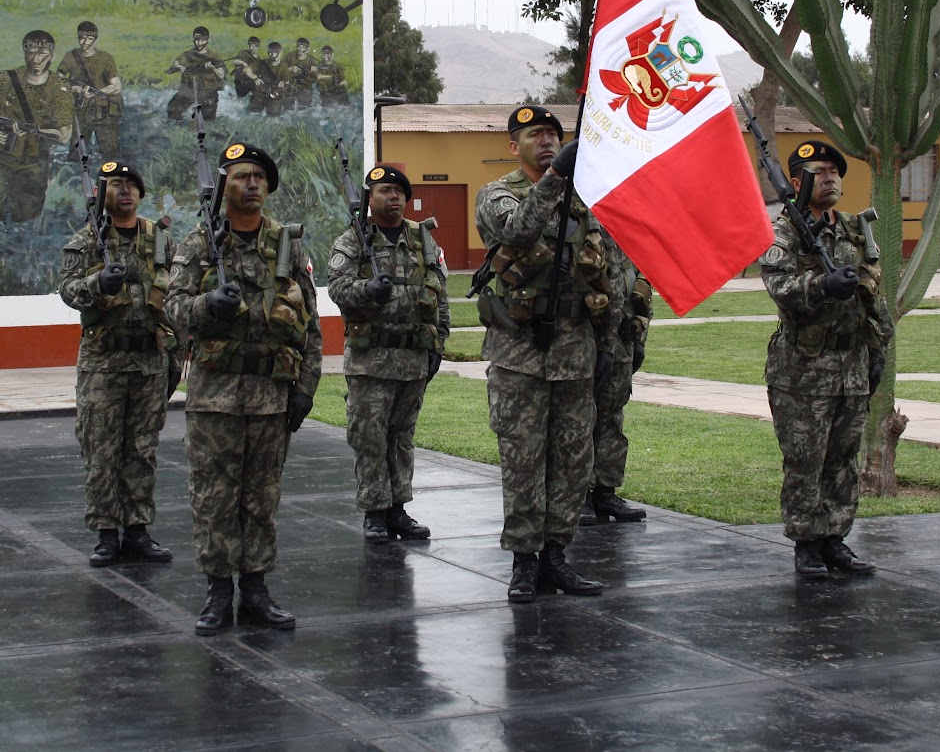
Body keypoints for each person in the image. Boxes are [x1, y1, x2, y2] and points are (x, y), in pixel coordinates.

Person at [167, 143, 322, 635]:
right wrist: (205, 305)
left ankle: (256, 589)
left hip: (272, 396)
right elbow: (172, 308)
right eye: (240, 176)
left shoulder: (287, 244)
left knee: (262, 498)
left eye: (258, 176)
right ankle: (218, 591)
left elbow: (310, 322)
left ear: (268, 186)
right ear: (223, 186)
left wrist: (306, 387)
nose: (251, 183)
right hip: (215, 397)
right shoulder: (201, 242)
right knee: (214, 497)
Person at [474, 104, 621, 604]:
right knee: (523, 461)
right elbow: (516, 231)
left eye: (554, 135)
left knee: (573, 461)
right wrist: (557, 176)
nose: (547, 141)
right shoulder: (497, 194)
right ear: (513, 146)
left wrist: (607, 343)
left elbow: (606, 273)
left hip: (576, 352)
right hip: (520, 353)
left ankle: (557, 555)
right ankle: (524, 561)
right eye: (535, 134)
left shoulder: (585, 202)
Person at [760, 139, 895, 579]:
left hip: (852, 364)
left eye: (835, 171)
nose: (831, 178)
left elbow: (875, 294)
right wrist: (821, 287)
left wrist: (878, 350)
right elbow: (779, 286)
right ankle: (807, 543)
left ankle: (835, 538)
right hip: (803, 368)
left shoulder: (855, 229)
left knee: (843, 459)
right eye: (820, 172)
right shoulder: (784, 232)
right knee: (806, 459)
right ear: (797, 182)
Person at [59, 161, 180, 568]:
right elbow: (67, 290)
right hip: (103, 363)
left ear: (141, 194)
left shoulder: (161, 240)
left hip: (149, 361)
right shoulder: (87, 240)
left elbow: (178, 296)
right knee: (101, 448)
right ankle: (107, 533)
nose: (124, 191)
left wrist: (176, 357)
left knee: (142, 449)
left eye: (131, 185)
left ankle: (138, 529)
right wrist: (97, 284)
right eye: (115, 185)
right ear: (101, 194)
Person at [326, 164, 450, 542]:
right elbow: (337, 287)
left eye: (398, 191)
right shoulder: (353, 240)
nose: (393, 196)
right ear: (370, 198)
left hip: (413, 358)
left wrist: (438, 345)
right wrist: (366, 290)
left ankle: (398, 509)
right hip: (371, 359)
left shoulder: (423, 239)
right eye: (384, 191)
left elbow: (439, 293)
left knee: (402, 438)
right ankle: (374, 511)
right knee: (370, 437)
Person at [579, 233, 651, 525]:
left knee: (611, 419)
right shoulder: (588, 232)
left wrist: (641, 339)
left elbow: (641, 289)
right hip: (589, 341)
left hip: (623, 343)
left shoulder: (630, 236)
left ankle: (605, 491)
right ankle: (579, 494)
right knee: (582, 419)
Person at [0, 30, 75, 222]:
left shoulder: (60, 88)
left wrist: (36, 130)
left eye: (42, 54)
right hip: (1, 161)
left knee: (27, 218)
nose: (36, 59)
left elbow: (64, 136)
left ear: (52, 56)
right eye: (31, 53)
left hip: (34, 165)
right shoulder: (6, 79)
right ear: (24, 53)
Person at [57, 20, 124, 158]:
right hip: (81, 111)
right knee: (76, 154)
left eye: (90, 38)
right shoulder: (70, 57)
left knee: (110, 153)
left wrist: (95, 93)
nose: (86, 42)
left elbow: (116, 86)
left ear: (96, 39)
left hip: (104, 111)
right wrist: (73, 89)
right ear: (78, 38)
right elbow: (58, 82)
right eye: (82, 38)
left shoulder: (105, 58)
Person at [166, 26, 227, 121]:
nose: (199, 42)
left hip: (207, 93)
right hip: (189, 91)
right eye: (197, 39)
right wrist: (180, 67)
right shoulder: (188, 55)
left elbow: (221, 75)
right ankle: (178, 126)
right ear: (193, 39)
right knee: (173, 108)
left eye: (203, 39)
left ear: (208, 39)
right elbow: (176, 63)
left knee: (207, 120)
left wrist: (213, 68)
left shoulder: (214, 56)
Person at [245, 40, 285, 117]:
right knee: (251, 115)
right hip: (259, 94)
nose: (273, 55)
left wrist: (283, 85)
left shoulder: (284, 66)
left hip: (275, 96)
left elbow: (289, 81)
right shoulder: (262, 63)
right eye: (271, 52)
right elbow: (247, 69)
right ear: (268, 53)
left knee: (273, 117)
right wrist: (255, 78)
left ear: (280, 53)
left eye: (276, 52)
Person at [279, 37, 318, 112]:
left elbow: (315, 79)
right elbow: (280, 69)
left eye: (303, 48)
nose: (300, 49)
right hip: (289, 87)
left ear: (308, 49)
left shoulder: (311, 60)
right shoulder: (290, 56)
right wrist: (290, 69)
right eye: (299, 47)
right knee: (287, 109)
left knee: (304, 109)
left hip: (304, 88)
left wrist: (314, 71)